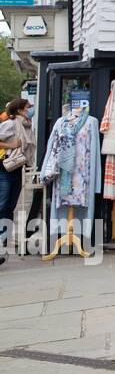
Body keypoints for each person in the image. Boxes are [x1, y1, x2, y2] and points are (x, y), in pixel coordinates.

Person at [0, 99, 36, 257]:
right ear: (20, 110)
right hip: (5, 169)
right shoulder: (11, 123)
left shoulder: (27, 126)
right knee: (2, 204)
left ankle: (3, 239)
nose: (30, 111)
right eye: (28, 108)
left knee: (10, 207)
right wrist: (11, 146)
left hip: (18, 168)